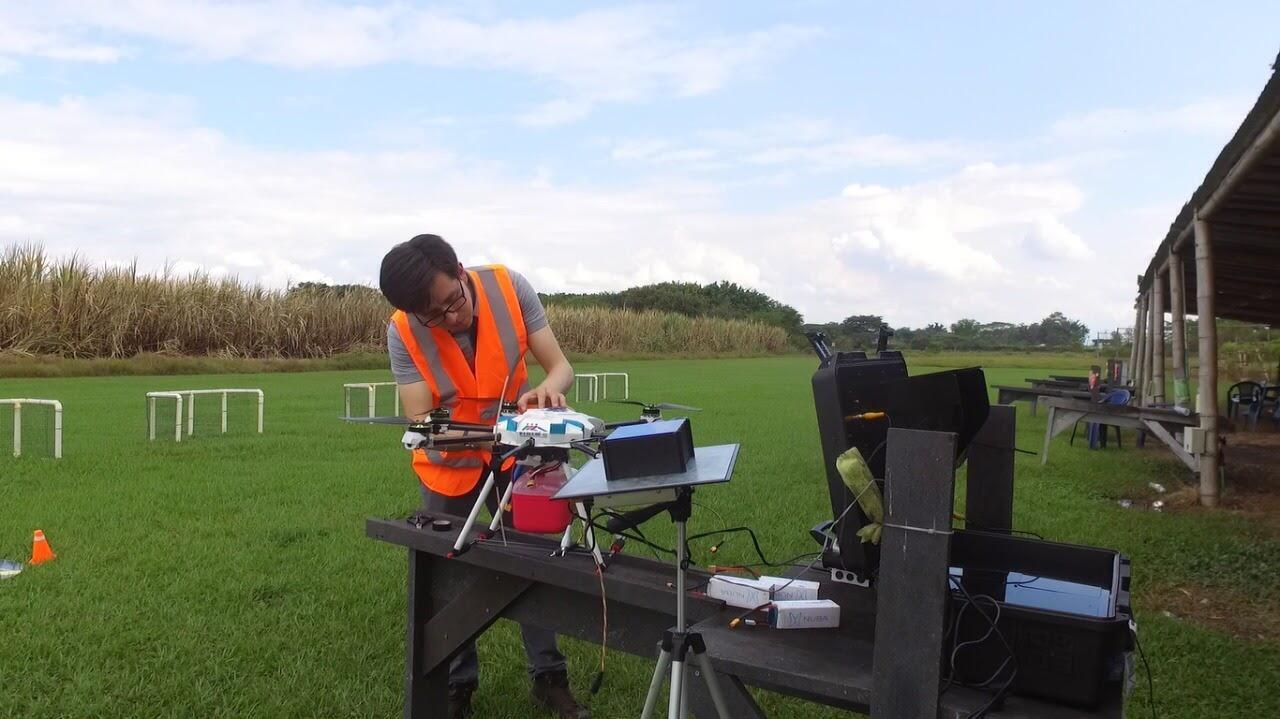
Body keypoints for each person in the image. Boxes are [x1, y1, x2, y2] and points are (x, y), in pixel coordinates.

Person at [379, 234, 588, 719]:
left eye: (454, 301)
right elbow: (421, 416)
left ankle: (549, 676)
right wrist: (483, 431)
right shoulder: (402, 330)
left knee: (535, 563)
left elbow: (560, 368)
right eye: (435, 315)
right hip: (448, 470)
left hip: (518, 461)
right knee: (448, 576)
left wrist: (545, 393)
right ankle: (456, 686)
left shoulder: (509, 287)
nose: (452, 318)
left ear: (459, 269)